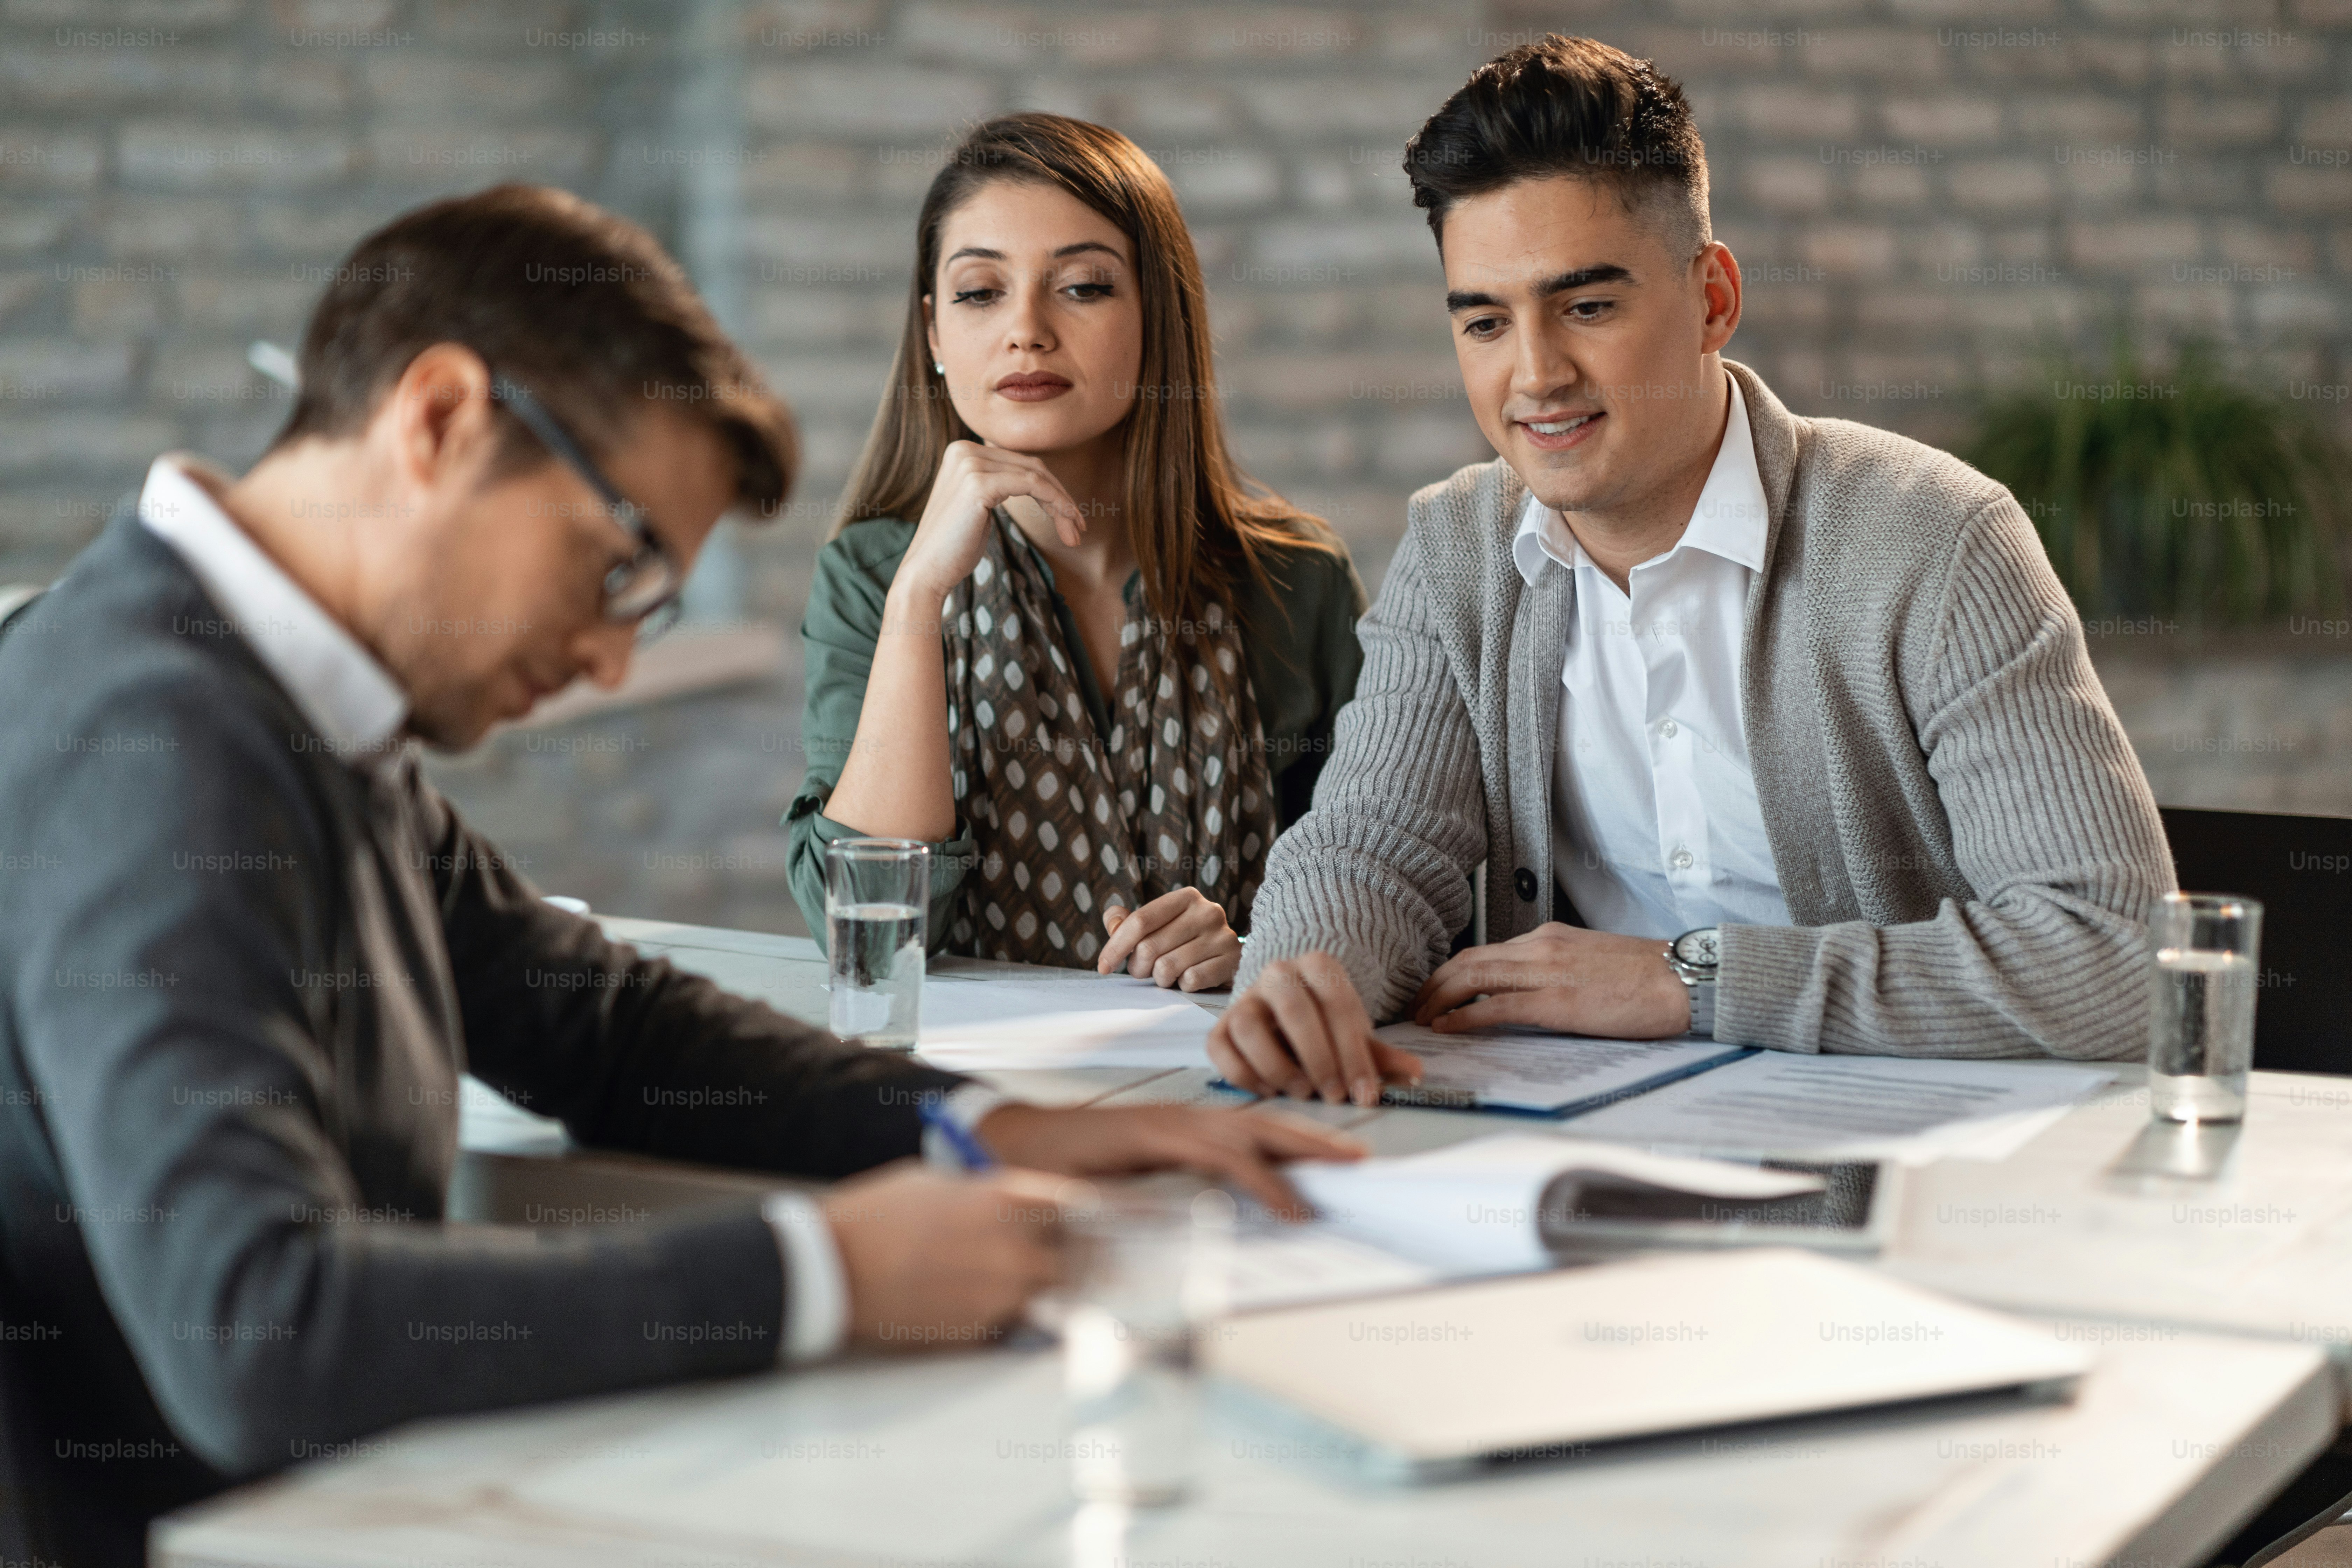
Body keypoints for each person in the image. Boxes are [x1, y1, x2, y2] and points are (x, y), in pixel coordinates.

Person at [0, 184, 1357, 1567]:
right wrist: (817, 1273)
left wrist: (993, 1127)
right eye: (619, 570)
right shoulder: (153, 735)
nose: (607, 663)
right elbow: (259, 1327)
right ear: (440, 420)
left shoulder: (291, 703)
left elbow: (599, 1021)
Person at [1209, 35, 2175, 1107]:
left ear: (1713, 299)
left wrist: (1694, 980)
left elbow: (2119, 959)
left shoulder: (1936, 542)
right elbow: (1372, 853)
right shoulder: (1457, 551)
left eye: (1588, 307)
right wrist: (1302, 983)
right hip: (1569, 1154)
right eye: (1486, 321)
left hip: (1889, 1159)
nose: (1535, 375)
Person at [786, 113, 1367, 993]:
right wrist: (918, 604)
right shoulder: (873, 576)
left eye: (1084, 287)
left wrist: (1258, 950)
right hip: (968, 1089)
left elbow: (1381, 883)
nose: (1027, 329)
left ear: (1157, 316)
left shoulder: (1297, 580)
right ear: (936, 334)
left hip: (1233, 1082)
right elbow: (867, 931)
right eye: (981, 292)